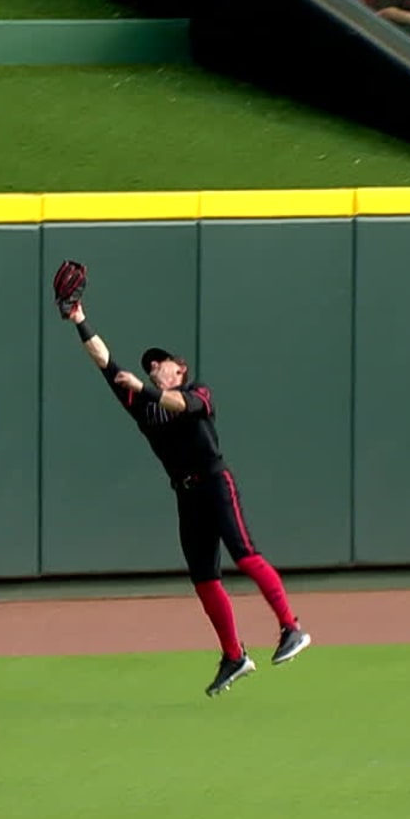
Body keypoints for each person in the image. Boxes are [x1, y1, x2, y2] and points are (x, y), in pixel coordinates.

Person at [60, 296, 311, 698]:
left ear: (181, 369)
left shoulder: (198, 393)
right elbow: (104, 361)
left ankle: (291, 627)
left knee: (244, 554)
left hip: (215, 483)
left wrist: (143, 386)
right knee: (204, 579)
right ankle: (234, 655)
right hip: (186, 494)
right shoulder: (142, 403)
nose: (155, 367)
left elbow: (181, 406)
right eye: (151, 365)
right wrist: (78, 319)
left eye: (162, 362)